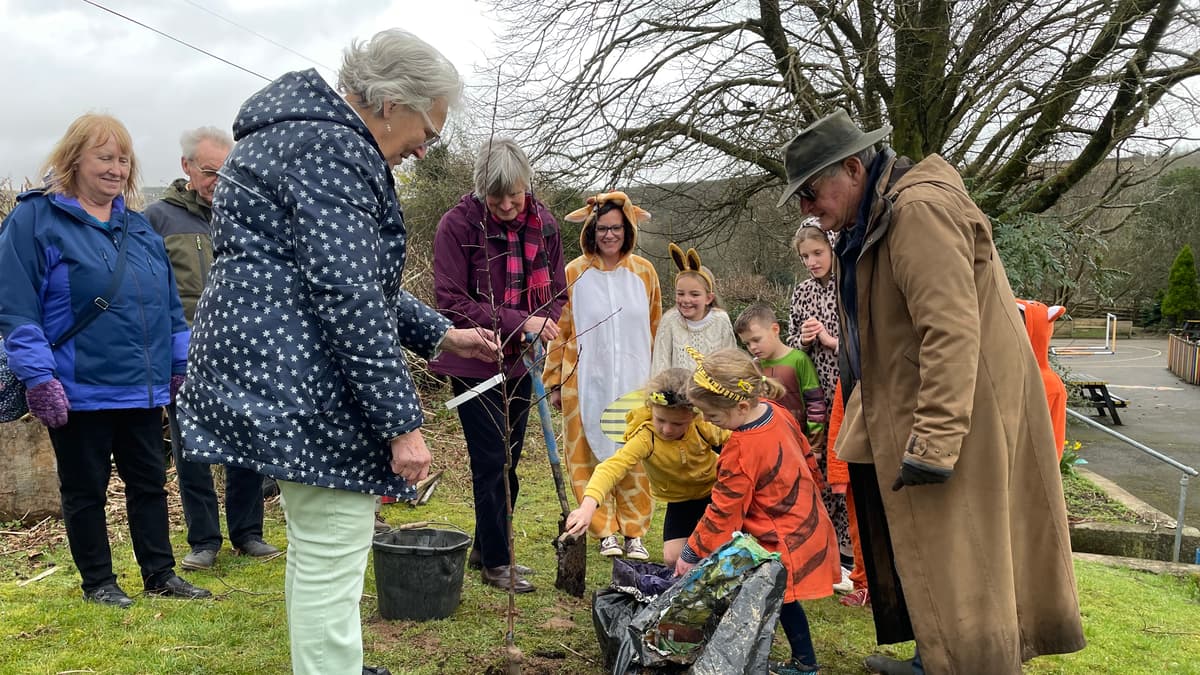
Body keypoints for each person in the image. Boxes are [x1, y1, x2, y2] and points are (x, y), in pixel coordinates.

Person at [176, 30, 499, 675]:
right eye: (427, 131)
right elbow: (347, 296)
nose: (424, 148)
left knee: (318, 547)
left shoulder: (292, 135)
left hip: (268, 365)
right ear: (391, 103)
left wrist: (440, 333)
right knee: (333, 543)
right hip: (300, 378)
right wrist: (402, 425)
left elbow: (347, 278)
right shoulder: (333, 149)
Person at [777, 108, 1085, 673]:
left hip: (959, 415)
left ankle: (965, 666)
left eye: (810, 192)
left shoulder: (917, 212)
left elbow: (950, 331)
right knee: (937, 552)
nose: (806, 209)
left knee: (967, 559)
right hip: (924, 406)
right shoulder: (882, 213)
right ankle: (932, 659)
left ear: (853, 169)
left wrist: (936, 442)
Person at [0, 113, 211, 608]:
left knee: (149, 484)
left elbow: (168, 307)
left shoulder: (138, 228)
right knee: (85, 490)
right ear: (74, 158)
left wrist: (178, 366)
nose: (116, 169)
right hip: (78, 385)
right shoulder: (35, 219)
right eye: (104, 157)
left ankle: (159, 573)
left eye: (123, 159)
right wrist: (38, 377)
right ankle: (98, 581)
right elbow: (16, 306)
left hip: (142, 385)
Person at [431, 137, 568, 593]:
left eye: (514, 195)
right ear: (480, 190)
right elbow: (451, 302)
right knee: (490, 459)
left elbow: (557, 291)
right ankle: (496, 560)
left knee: (509, 458)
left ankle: (486, 547)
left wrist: (542, 322)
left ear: (527, 184)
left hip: (522, 361)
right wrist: (518, 320)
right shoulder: (457, 226)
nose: (507, 205)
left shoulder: (545, 225)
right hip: (474, 359)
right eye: (496, 198)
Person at [145, 126, 279, 570]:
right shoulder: (157, 220)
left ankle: (248, 532)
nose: (219, 181)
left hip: (242, 351)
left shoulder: (246, 215)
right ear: (186, 167)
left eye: (228, 171)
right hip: (186, 356)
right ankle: (204, 540)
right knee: (191, 453)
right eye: (209, 171)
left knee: (247, 444)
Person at [675, 348, 840, 675]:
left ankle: (797, 664)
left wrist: (692, 552)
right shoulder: (776, 411)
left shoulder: (742, 448)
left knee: (776, 599)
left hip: (780, 537)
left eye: (713, 416)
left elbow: (723, 511)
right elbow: (806, 455)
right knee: (779, 599)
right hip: (803, 517)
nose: (706, 421)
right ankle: (802, 661)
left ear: (740, 406)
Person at [544, 191, 661, 560]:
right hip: (585, 381)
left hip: (636, 382)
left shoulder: (644, 272)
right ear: (591, 231)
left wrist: (662, 379)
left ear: (628, 230)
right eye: (602, 229)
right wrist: (554, 381)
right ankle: (603, 529)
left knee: (635, 454)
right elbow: (560, 330)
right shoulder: (573, 273)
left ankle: (634, 532)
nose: (609, 235)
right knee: (587, 452)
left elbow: (655, 326)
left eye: (616, 228)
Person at [563, 368, 730, 566]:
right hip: (681, 500)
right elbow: (611, 468)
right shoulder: (646, 436)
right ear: (651, 409)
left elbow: (736, 441)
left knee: (721, 548)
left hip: (717, 492)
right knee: (673, 559)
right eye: (660, 420)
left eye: (678, 424)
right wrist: (587, 508)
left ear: (693, 416)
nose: (667, 429)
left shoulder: (703, 425)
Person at [649, 243, 735, 375]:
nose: (686, 300)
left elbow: (731, 363)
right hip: (677, 387)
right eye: (680, 294)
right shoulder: (669, 321)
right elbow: (660, 366)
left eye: (694, 294)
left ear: (709, 298)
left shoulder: (721, 320)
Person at [787, 222, 840, 411]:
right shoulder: (802, 292)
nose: (811, 262)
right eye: (805, 256)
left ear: (832, 248)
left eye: (818, 253)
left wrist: (832, 342)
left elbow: (869, 342)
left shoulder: (850, 285)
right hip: (815, 392)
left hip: (851, 388)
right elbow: (790, 343)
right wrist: (803, 340)